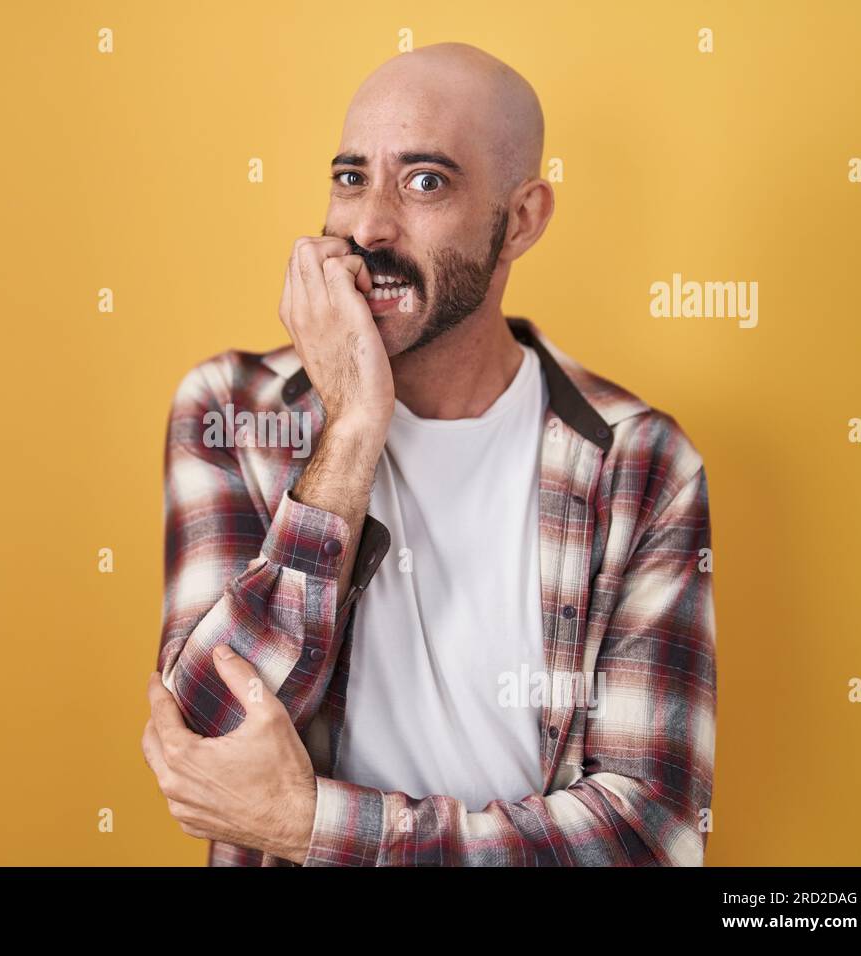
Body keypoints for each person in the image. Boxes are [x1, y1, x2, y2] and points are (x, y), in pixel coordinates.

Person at [142, 42, 716, 866]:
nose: (369, 225)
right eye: (350, 178)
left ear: (521, 220)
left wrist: (311, 826)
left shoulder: (642, 463)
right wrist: (350, 429)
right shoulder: (233, 412)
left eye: (425, 182)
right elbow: (206, 737)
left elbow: (648, 837)